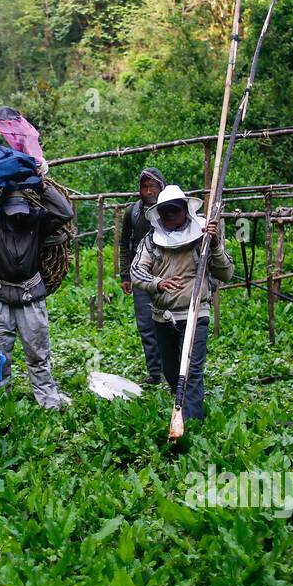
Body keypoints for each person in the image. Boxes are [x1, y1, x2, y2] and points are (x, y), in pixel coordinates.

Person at [0, 165, 74, 410]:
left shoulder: (38, 222)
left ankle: (49, 402)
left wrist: (42, 186)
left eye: (21, 211)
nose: (17, 216)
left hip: (31, 295)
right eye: (12, 212)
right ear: (3, 210)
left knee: (38, 353)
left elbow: (64, 212)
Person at [129, 184, 233, 422]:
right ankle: (180, 402)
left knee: (192, 370)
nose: (170, 214)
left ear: (185, 210)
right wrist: (157, 283)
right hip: (162, 315)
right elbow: (136, 271)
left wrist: (214, 244)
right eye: (166, 211)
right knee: (172, 371)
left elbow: (226, 273)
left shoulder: (204, 236)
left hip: (195, 312)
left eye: (175, 210)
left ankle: (191, 422)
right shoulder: (151, 241)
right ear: (159, 213)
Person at [118, 168, 167, 385]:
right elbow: (124, 243)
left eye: (152, 187)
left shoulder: (171, 209)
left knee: (170, 321)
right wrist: (125, 275)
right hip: (140, 275)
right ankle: (155, 372)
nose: (148, 191)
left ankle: (172, 370)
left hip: (168, 274)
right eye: (144, 187)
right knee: (146, 325)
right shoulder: (133, 212)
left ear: (161, 188)